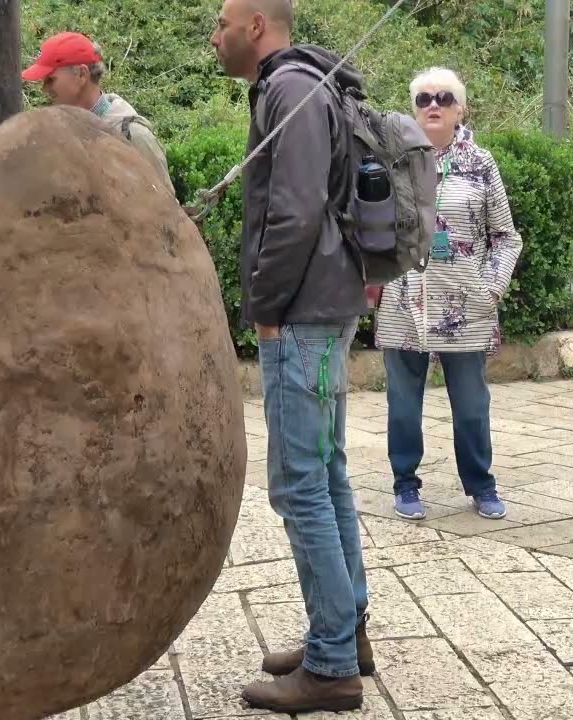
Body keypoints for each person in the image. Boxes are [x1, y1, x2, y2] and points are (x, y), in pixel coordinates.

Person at [210, 0, 372, 712]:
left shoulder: (288, 88)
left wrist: (266, 308)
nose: (213, 37)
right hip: (326, 310)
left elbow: (297, 209)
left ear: (255, 26)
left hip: (301, 318)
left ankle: (333, 662)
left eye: (220, 23)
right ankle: (344, 631)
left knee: (300, 484)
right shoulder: (313, 82)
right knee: (326, 472)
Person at [373, 67, 523, 522]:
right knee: (402, 406)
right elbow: (372, 228)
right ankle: (405, 484)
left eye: (443, 98)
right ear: (413, 110)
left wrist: (490, 289)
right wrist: (373, 279)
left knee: (472, 407)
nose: (432, 105)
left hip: (465, 307)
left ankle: (480, 484)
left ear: (460, 109)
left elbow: (506, 236)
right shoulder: (392, 161)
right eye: (423, 99)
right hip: (405, 304)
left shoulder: (481, 163)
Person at [21, 31, 174, 192]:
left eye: (51, 80)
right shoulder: (59, 133)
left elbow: (167, 210)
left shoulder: (133, 135)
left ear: (81, 74)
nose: (45, 89)